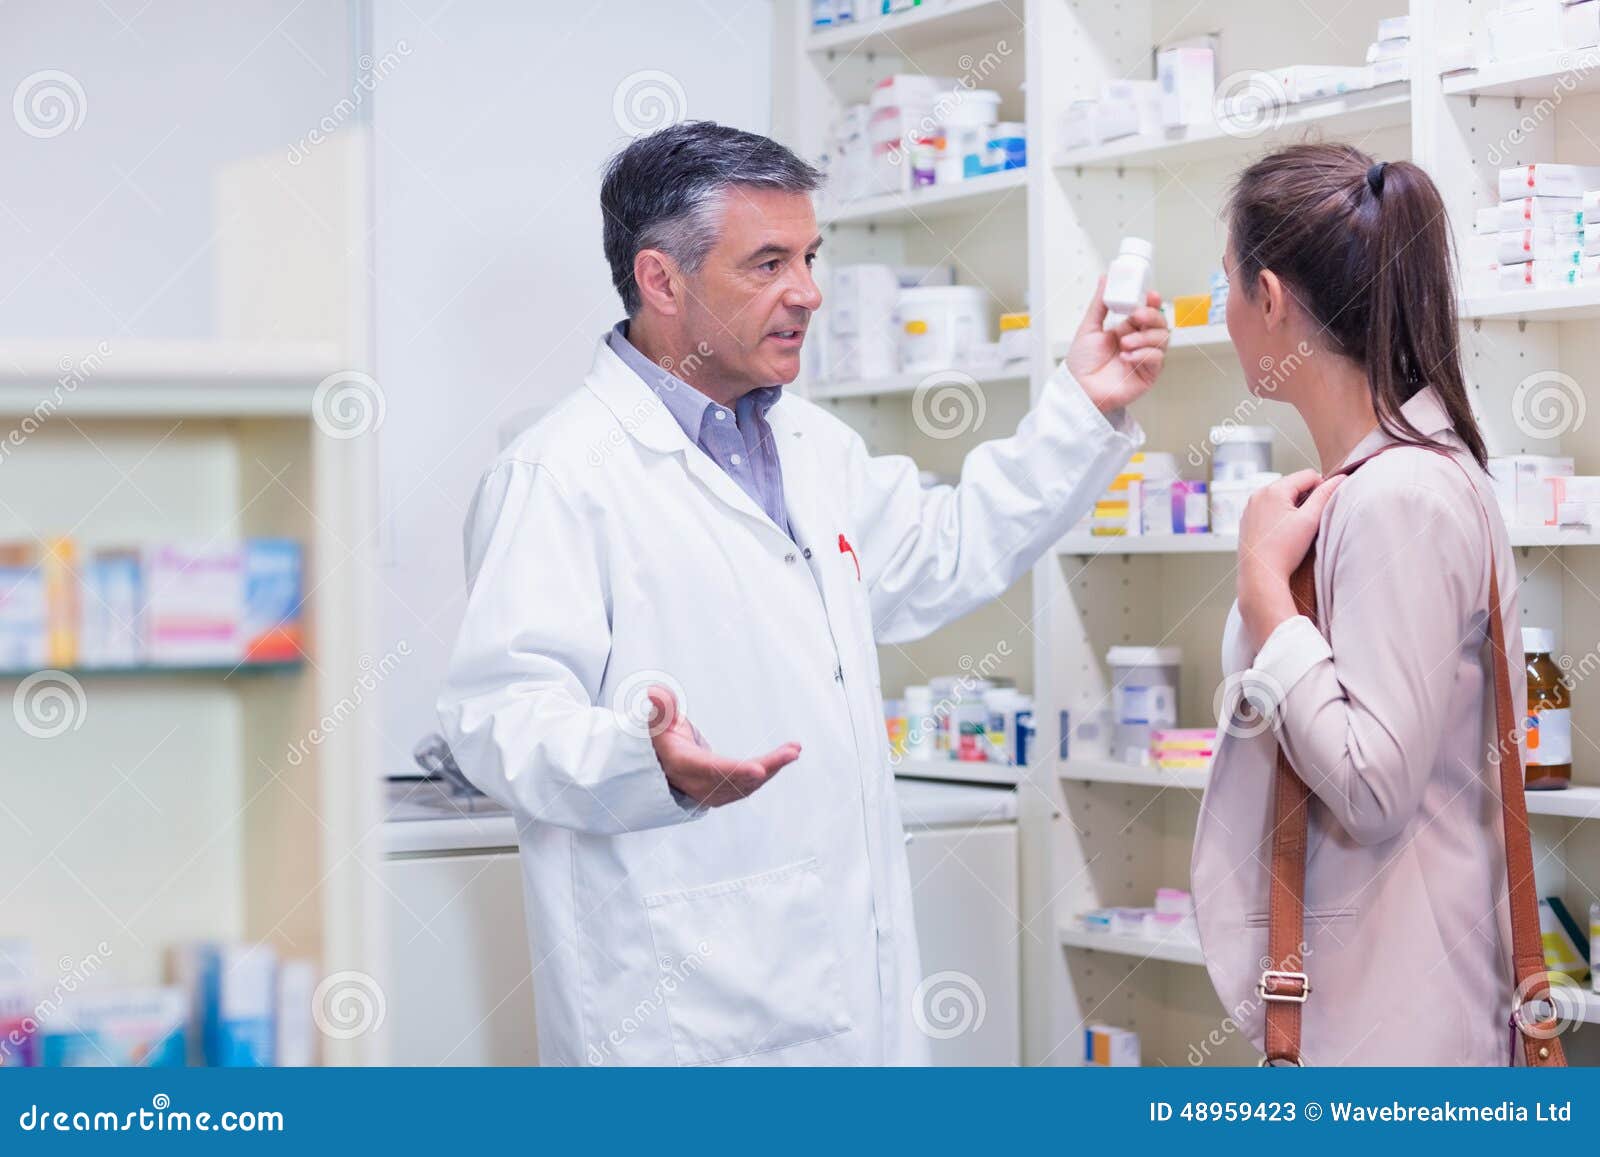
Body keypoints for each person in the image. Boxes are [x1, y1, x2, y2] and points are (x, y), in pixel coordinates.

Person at [436, 121, 1169, 1066]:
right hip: (678, 1010)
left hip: (848, 989)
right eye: (769, 262)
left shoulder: (815, 448)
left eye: (811, 257)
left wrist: (1087, 405)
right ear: (662, 280)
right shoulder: (562, 473)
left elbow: (945, 552)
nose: (809, 293)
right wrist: (641, 759)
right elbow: (498, 714)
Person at [1191, 143, 1531, 1064]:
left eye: (1226, 284)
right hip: (1373, 1002)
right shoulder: (1380, 484)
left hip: (1402, 1031)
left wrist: (1265, 594)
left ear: (1268, 298)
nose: (1226, 314)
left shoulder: (1400, 497)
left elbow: (1372, 784)